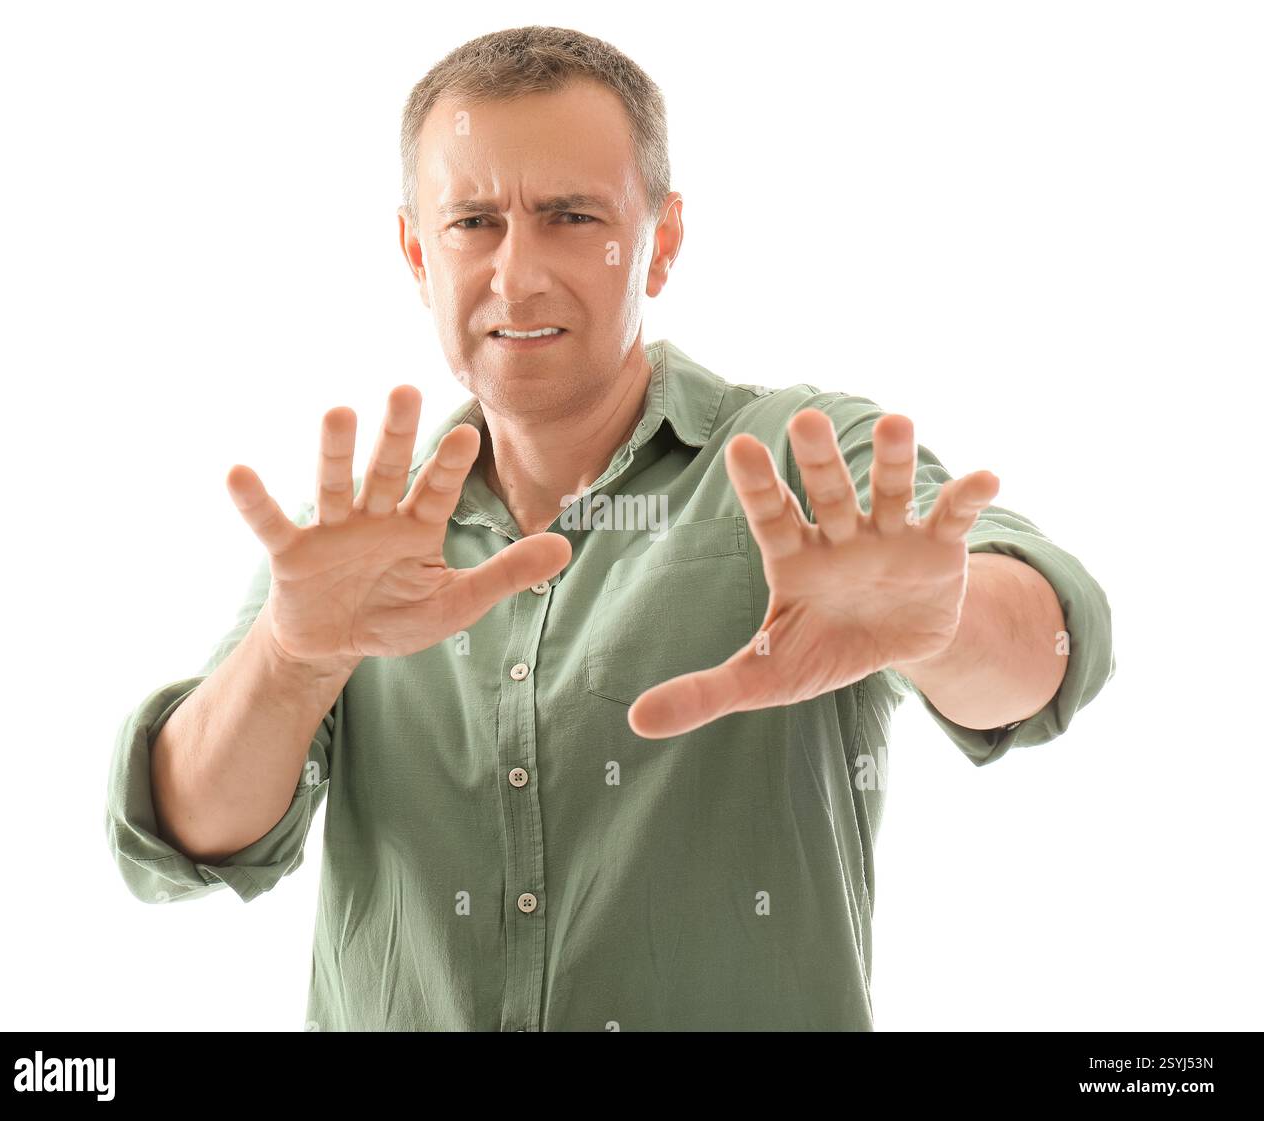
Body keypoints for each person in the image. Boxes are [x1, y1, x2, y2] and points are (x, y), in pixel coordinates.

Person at [105, 25, 1116, 1031]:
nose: (517, 276)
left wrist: (943, 624)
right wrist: (290, 657)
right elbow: (190, 834)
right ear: (417, 252)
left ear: (660, 242)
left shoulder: (800, 456)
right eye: (473, 223)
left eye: (570, 215)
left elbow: (1048, 655)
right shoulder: (360, 534)